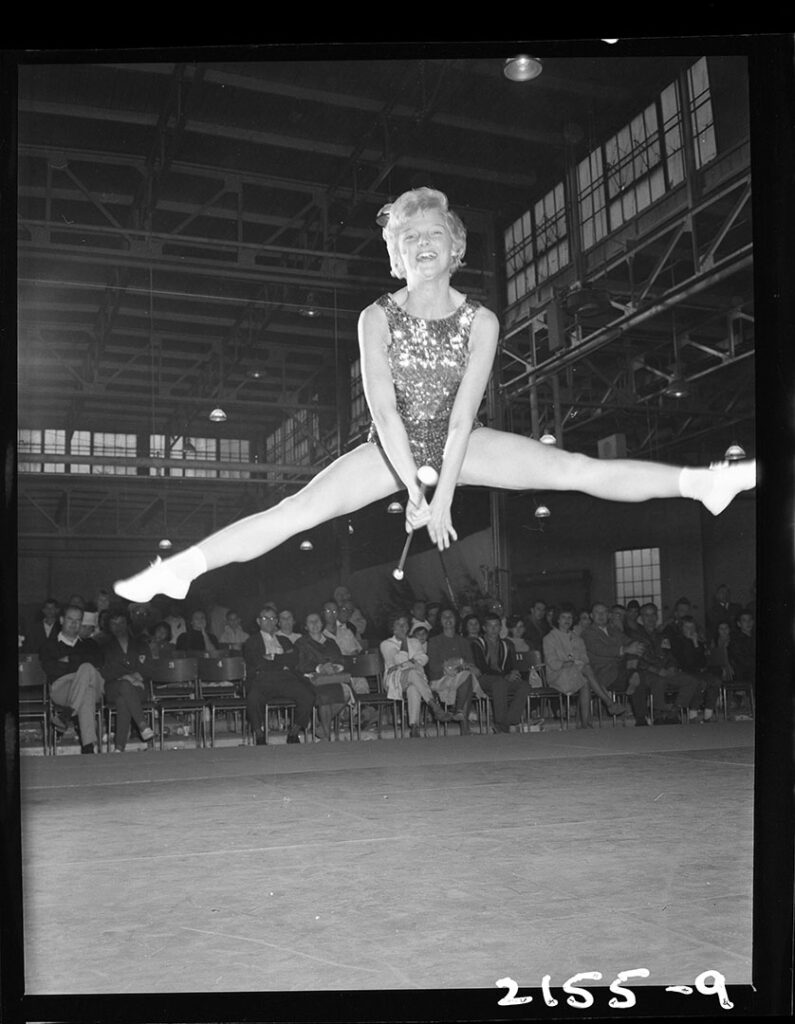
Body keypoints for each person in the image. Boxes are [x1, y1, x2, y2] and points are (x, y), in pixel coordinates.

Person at [113, 187, 757, 605]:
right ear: (395, 256)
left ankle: (700, 483)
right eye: (408, 238)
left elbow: (461, 420)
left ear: (455, 250)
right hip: (388, 448)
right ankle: (183, 569)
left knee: (572, 469)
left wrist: (442, 498)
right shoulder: (376, 318)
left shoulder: (481, 321)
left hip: (461, 441)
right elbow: (386, 412)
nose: (422, 245)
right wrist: (414, 493)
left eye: (434, 237)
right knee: (297, 510)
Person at [543, 605, 627, 727]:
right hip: (558, 675)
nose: (567, 620)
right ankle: (609, 703)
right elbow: (553, 663)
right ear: (557, 619)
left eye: (570, 617)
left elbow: (584, 659)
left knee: (586, 679)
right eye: (563, 617)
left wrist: (575, 663)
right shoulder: (549, 638)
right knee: (586, 671)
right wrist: (570, 662)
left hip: (578, 673)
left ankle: (586, 723)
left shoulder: (578, 639)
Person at [242, 607, 317, 745]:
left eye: (272, 618)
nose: (270, 622)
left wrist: (273, 658)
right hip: (263, 679)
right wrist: (282, 659)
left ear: (276, 621)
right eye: (265, 619)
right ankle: (259, 735)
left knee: (307, 695)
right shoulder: (252, 641)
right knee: (253, 698)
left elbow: (294, 659)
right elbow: (258, 662)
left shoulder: (284, 640)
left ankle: (294, 733)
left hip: (286, 678)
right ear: (259, 621)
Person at [40, 604, 105, 753]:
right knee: (86, 692)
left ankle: (66, 716)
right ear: (62, 620)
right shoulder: (49, 645)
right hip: (62, 688)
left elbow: (99, 664)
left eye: (78, 620)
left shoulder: (91, 644)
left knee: (87, 668)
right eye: (70, 619)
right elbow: (51, 669)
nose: (74, 623)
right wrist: (79, 663)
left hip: (91, 683)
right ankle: (88, 747)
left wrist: (69, 660)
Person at [380, 612, 452, 738]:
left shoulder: (415, 642)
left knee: (413, 688)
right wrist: (405, 646)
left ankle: (414, 727)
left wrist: (408, 663)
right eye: (399, 625)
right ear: (393, 628)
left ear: (409, 627)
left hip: (415, 679)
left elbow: (424, 659)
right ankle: (433, 704)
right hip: (394, 681)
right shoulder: (386, 644)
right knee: (413, 672)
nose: (402, 627)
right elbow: (397, 662)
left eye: (405, 624)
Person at [632, 603, 706, 723]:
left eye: (653, 615)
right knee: (659, 681)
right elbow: (637, 660)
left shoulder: (662, 635)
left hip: (665, 670)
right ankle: (659, 714)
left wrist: (672, 666)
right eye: (646, 615)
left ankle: (675, 711)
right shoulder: (635, 636)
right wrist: (657, 670)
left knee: (691, 681)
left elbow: (670, 655)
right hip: (647, 672)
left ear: (657, 617)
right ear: (641, 618)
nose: (650, 618)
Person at [582, 603, 650, 727]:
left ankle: (641, 718)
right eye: (597, 612)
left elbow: (628, 641)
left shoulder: (614, 630)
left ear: (608, 615)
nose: (601, 615)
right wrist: (625, 650)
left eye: (604, 612)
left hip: (622, 669)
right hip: (605, 673)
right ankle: (641, 718)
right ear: (592, 616)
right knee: (637, 673)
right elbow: (600, 650)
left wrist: (638, 645)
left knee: (637, 669)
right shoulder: (588, 633)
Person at [470, 611, 532, 734]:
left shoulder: (507, 644)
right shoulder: (477, 643)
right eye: (490, 626)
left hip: (503, 678)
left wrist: (512, 673)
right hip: (484, 678)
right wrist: (506, 675)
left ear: (500, 627)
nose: (494, 629)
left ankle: (508, 721)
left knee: (524, 685)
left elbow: (510, 665)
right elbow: (482, 667)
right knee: (500, 683)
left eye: (496, 625)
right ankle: (501, 723)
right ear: (484, 628)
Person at [102, 610, 156, 751]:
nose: (118, 626)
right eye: (113, 623)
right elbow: (104, 671)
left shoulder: (141, 644)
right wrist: (127, 677)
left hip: (139, 688)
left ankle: (119, 747)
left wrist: (135, 677)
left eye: (121, 622)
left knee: (123, 700)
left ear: (127, 624)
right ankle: (142, 725)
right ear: (109, 626)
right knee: (124, 686)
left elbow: (149, 668)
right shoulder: (103, 646)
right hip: (113, 687)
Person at [295, 612, 354, 739]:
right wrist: (320, 668)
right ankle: (326, 737)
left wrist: (336, 667)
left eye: (317, 621)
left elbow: (341, 660)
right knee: (325, 696)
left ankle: (319, 727)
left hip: (333, 678)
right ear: (305, 626)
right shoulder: (301, 643)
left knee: (347, 692)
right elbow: (300, 665)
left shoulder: (331, 642)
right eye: (310, 622)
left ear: (322, 623)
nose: (315, 624)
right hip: (312, 680)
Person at [426, 608, 480, 733]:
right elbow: (433, 666)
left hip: (461, 677)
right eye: (444, 616)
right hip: (440, 679)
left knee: (468, 676)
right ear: (440, 621)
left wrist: (460, 665)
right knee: (467, 677)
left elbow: (470, 663)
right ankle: (462, 718)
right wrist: (452, 664)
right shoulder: (434, 641)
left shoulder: (463, 642)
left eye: (451, 616)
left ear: (456, 620)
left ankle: (460, 711)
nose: (448, 619)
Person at [669, 615, 721, 722]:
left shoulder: (698, 641)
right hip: (684, 671)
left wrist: (696, 643)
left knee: (715, 681)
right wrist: (690, 644)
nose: (690, 630)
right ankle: (693, 714)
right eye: (687, 627)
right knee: (700, 682)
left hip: (698, 671)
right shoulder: (677, 641)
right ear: (681, 628)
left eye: (692, 627)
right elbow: (684, 662)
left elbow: (702, 662)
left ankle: (708, 715)